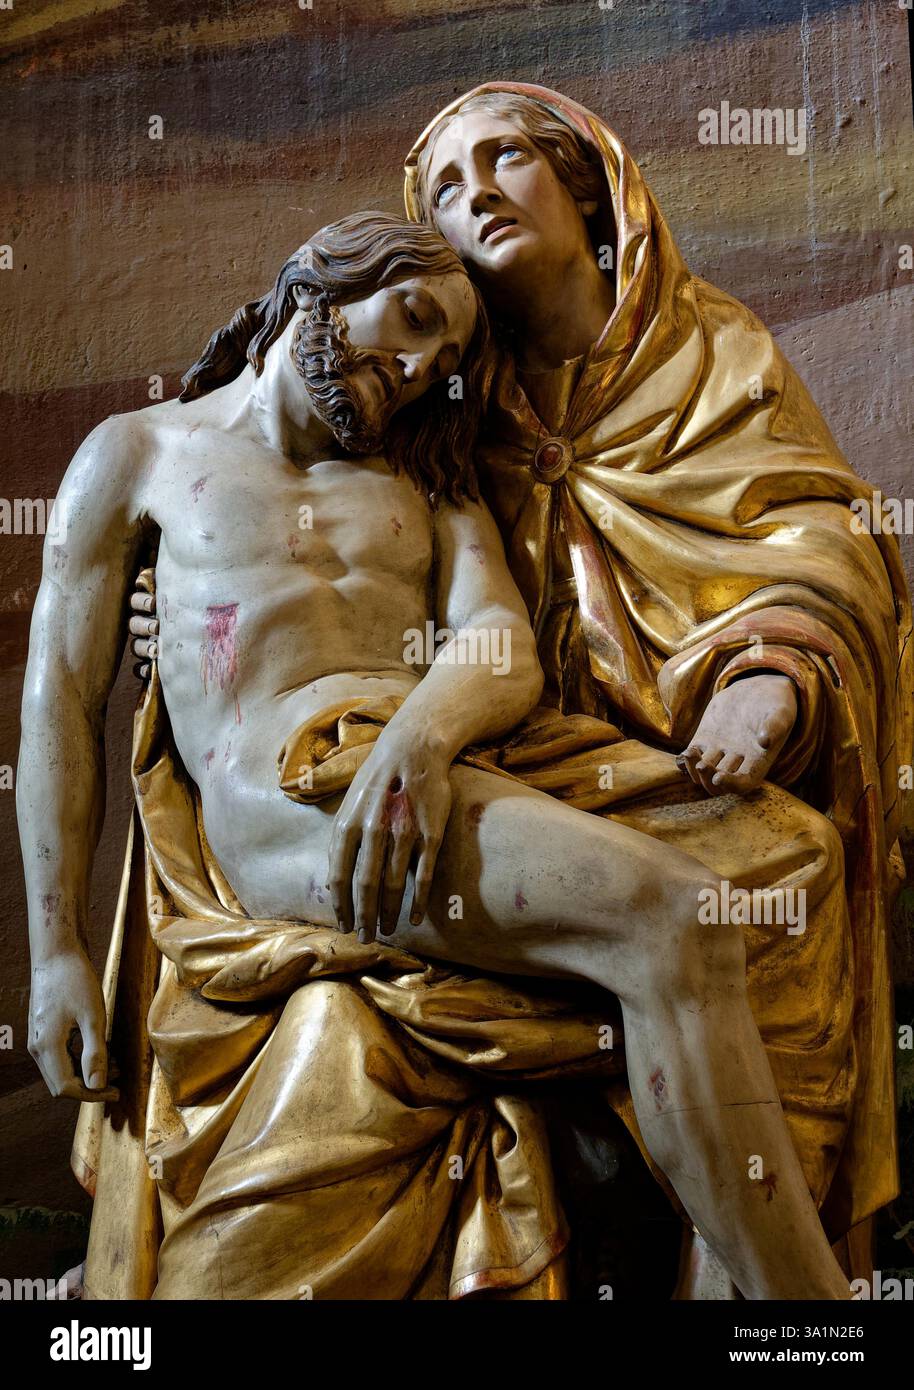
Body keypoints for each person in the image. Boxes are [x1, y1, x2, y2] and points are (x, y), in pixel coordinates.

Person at [21, 210, 855, 1300]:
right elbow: (59, 701)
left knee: (783, 852)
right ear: (320, 279)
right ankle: (809, 1317)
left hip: (436, 773)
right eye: (410, 320)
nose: (416, 369)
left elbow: (499, 647)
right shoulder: (138, 454)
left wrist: (419, 733)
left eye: (442, 359)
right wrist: (55, 953)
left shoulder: (425, 478)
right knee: (675, 916)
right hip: (296, 802)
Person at [398, 82, 913, 1288]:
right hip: (508, 774)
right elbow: (316, 543)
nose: (474, 191)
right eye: (442, 187)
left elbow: (819, 540)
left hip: (682, 764)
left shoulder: (711, 350)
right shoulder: (434, 403)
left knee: (776, 877)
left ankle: (743, 1284)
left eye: (506, 158)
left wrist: (772, 676)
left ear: (587, 185)